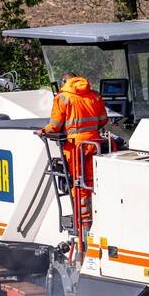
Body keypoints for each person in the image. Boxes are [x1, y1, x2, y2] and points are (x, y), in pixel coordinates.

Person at [39, 72, 109, 236]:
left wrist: (43, 131)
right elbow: (103, 120)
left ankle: (84, 227)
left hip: (74, 147)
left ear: (64, 81)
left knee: (78, 185)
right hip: (94, 144)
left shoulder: (62, 98)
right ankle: (97, 220)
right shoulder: (95, 95)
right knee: (93, 183)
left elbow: (55, 125)